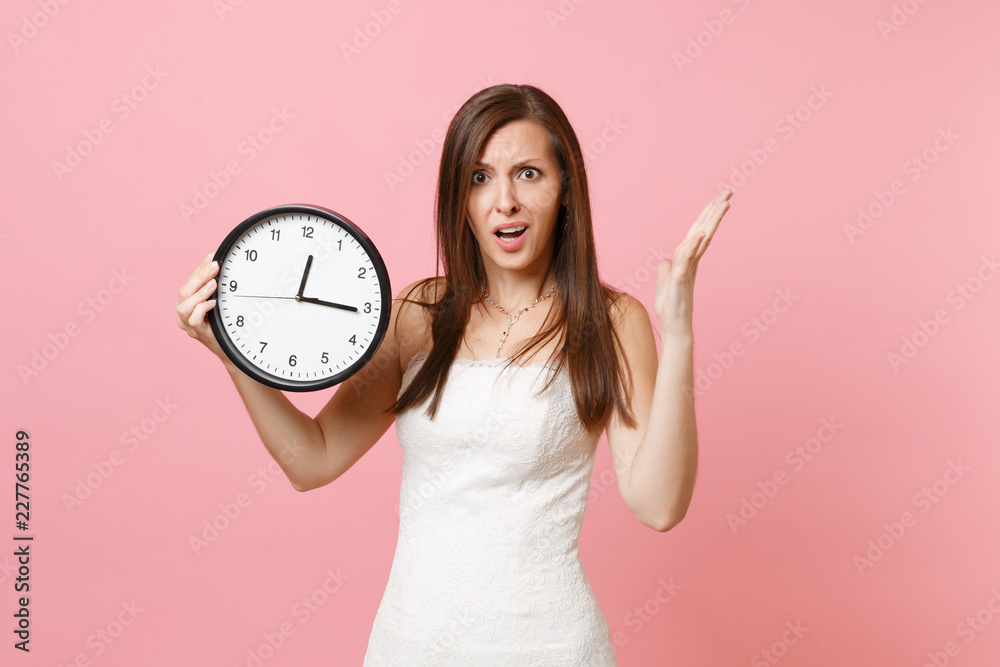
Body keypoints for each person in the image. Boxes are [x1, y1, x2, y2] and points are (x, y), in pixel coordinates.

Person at [176, 83, 732, 665]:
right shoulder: (416, 315)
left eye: (529, 174)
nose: (505, 201)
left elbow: (659, 505)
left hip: (551, 646)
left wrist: (681, 333)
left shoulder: (611, 321)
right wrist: (228, 350)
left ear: (566, 189)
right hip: (410, 644)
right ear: (458, 197)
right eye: (480, 177)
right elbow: (311, 460)